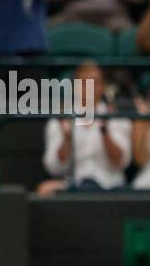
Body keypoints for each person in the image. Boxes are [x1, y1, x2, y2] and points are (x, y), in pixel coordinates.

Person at [38, 61, 132, 194]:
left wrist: (105, 131)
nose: (89, 88)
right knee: (45, 189)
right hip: (74, 185)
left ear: (103, 86)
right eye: (83, 83)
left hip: (110, 186)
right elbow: (54, 168)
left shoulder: (116, 117)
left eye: (94, 83)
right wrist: (67, 139)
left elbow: (121, 163)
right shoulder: (61, 118)